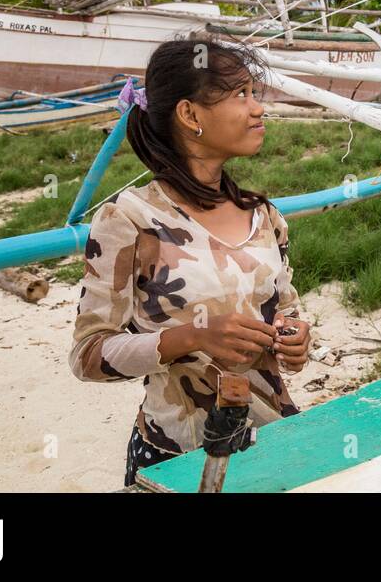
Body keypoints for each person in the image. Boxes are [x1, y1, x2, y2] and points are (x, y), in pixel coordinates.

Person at [70, 37, 310, 487]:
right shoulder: (130, 218)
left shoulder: (265, 217)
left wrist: (295, 338)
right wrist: (192, 336)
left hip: (273, 439)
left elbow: (286, 312)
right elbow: (88, 355)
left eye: (255, 94)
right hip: (176, 455)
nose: (258, 108)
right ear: (191, 115)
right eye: (241, 94)